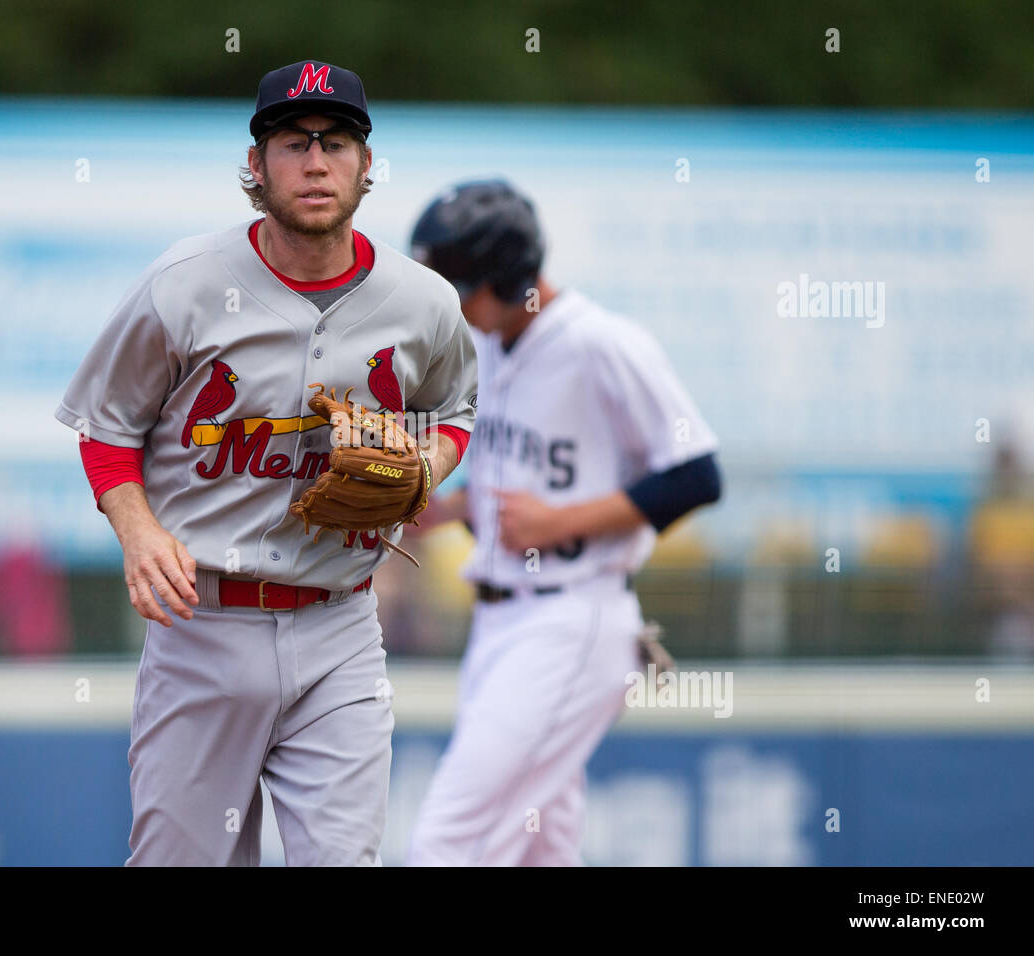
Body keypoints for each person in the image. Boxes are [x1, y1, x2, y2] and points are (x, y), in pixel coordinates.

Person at [54, 61, 478, 866]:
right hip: (201, 626)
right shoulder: (183, 286)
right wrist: (138, 530)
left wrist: (426, 463)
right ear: (256, 165)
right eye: (292, 142)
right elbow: (105, 425)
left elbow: (454, 409)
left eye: (338, 141)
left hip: (340, 624)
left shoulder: (422, 301)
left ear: (365, 166)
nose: (316, 162)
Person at [405, 180, 722, 866]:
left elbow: (697, 472)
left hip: (569, 619)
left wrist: (562, 521)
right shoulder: (488, 344)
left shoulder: (602, 343)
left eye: (458, 288)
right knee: (539, 850)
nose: (451, 306)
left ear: (506, 279)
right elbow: (523, 485)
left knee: (446, 844)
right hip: (499, 624)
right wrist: (447, 510)